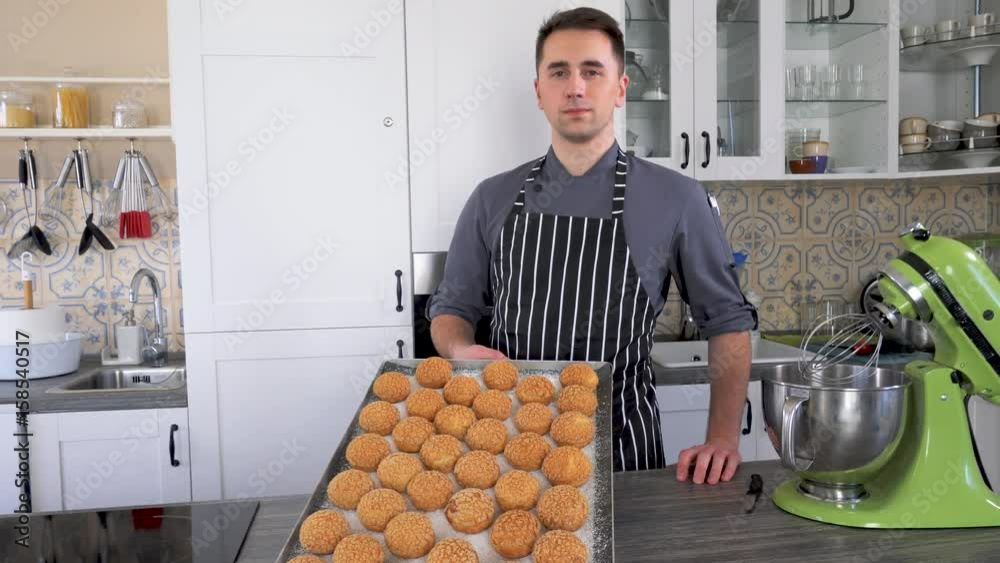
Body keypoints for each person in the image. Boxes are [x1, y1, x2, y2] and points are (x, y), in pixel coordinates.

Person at [427, 7, 756, 483]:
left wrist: (724, 439)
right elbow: (451, 307)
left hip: (622, 451)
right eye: (558, 72)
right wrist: (459, 346)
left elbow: (727, 322)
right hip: (504, 449)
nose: (575, 87)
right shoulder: (491, 197)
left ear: (620, 88)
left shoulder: (677, 198)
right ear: (539, 91)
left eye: (592, 71)